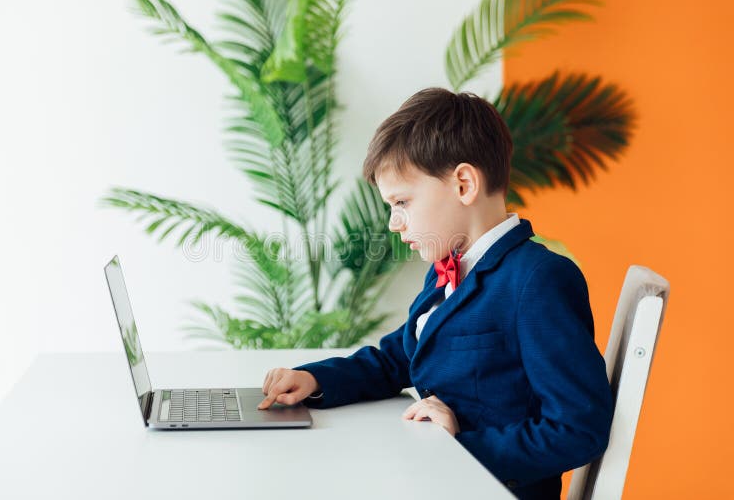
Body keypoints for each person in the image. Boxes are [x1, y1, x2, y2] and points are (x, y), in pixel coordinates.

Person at [257, 87, 613, 500]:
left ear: (463, 184)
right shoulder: (449, 267)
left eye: (402, 202)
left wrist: (457, 447)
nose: (394, 223)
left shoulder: (538, 279)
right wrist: (315, 379)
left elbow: (577, 429)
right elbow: (401, 358)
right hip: (434, 476)